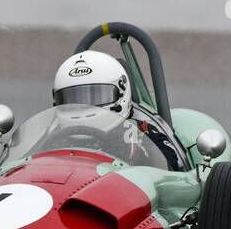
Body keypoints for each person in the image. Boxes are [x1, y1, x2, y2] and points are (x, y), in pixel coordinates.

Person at [51, 50, 184, 169]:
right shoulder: (52, 135)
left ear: (121, 90)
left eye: (97, 95)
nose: (85, 106)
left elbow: (174, 168)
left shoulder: (142, 132)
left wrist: (138, 152)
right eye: (73, 99)